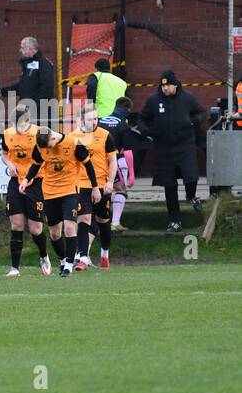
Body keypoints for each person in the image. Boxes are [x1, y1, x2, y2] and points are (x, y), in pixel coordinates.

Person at [138, 69, 207, 232]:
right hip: (163, 149)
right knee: (169, 186)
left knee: (191, 177)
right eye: (163, 86)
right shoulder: (153, 100)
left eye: (168, 85)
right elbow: (142, 118)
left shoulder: (187, 98)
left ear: (175, 85)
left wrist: (193, 121)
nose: (165, 89)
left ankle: (191, 196)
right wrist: (146, 131)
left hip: (185, 146)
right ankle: (174, 221)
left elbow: (202, 112)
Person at [24, 126, 98, 277]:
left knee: (70, 227)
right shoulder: (40, 145)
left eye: (49, 146)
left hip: (70, 190)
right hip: (50, 192)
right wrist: (26, 180)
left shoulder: (73, 143)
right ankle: (63, 260)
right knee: (54, 233)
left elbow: (88, 165)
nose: (48, 150)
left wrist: (95, 187)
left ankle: (69, 266)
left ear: (52, 137)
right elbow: (36, 165)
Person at [0, 104, 52, 277]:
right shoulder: (8, 134)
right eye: (15, 125)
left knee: (36, 228)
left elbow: (43, 159)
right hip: (15, 182)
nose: (17, 129)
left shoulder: (39, 134)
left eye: (21, 125)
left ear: (29, 121)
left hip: (36, 182)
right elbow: (4, 154)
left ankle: (44, 256)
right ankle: (15, 267)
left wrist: (28, 178)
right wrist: (9, 164)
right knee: (16, 224)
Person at [74, 106, 119, 269]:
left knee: (103, 222)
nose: (94, 122)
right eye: (90, 119)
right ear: (81, 120)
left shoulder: (105, 135)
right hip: (81, 185)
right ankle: (83, 258)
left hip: (101, 184)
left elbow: (113, 160)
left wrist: (110, 182)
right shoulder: (73, 137)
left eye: (96, 118)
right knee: (83, 219)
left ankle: (105, 252)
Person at [99, 96, 139, 232]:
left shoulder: (100, 121)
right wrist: (132, 175)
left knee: (98, 190)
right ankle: (114, 223)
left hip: (96, 162)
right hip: (111, 162)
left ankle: (95, 224)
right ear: (128, 110)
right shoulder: (124, 125)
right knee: (120, 189)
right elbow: (127, 152)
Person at [0, 37, 56, 130]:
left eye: (22, 48)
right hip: (28, 110)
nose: (20, 50)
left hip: (39, 112)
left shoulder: (44, 63)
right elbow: (23, 85)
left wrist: (34, 106)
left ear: (30, 48)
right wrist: (3, 91)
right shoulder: (28, 64)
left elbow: (47, 88)